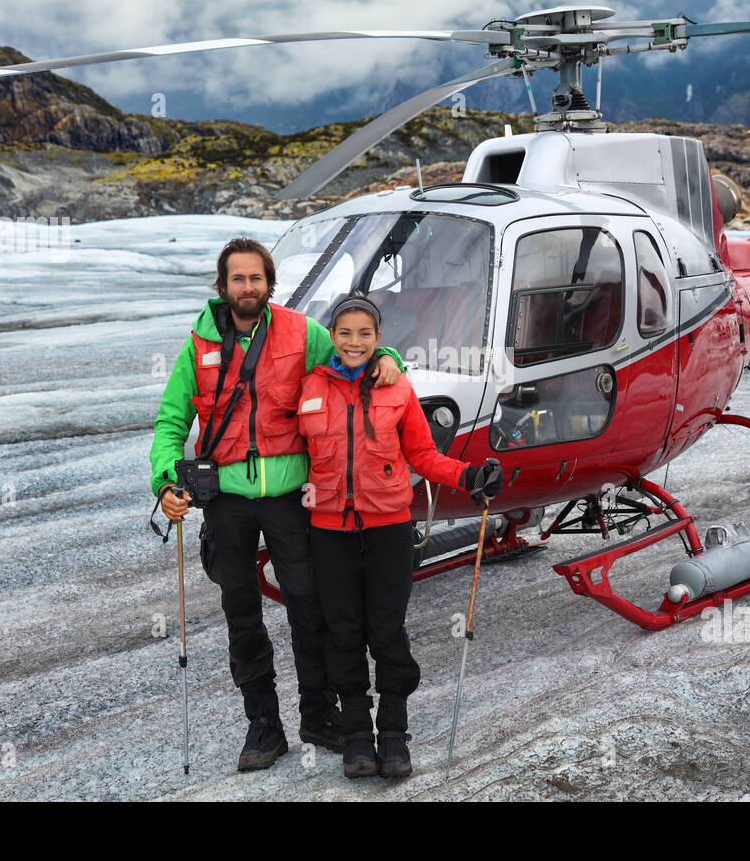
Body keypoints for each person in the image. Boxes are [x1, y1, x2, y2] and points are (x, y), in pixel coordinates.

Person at [150, 239, 405, 773]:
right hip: (227, 500)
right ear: (223, 286)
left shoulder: (298, 332)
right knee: (241, 611)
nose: (248, 288)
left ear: (270, 283)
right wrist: (166, 479)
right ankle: (263, 725)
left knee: (309, 606)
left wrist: (387, 357)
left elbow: (350, 355)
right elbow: (172, 420)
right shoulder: (198, 343)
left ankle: (319, 712)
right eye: (238, 279)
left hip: (291, 496)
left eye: (256, 278)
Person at [296, 293, 503, 779]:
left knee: (386, 633)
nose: (353, 342)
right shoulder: (308, 388)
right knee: (343, 634)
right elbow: (287, 452)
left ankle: (393, 734)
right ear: (332, 336)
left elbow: (424, 456)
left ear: (378, 339)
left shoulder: (397, 389)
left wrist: (469, 477)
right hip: (329, 531)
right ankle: (356, 739)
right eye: (344, 333)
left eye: (364, 334)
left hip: (389, 528)